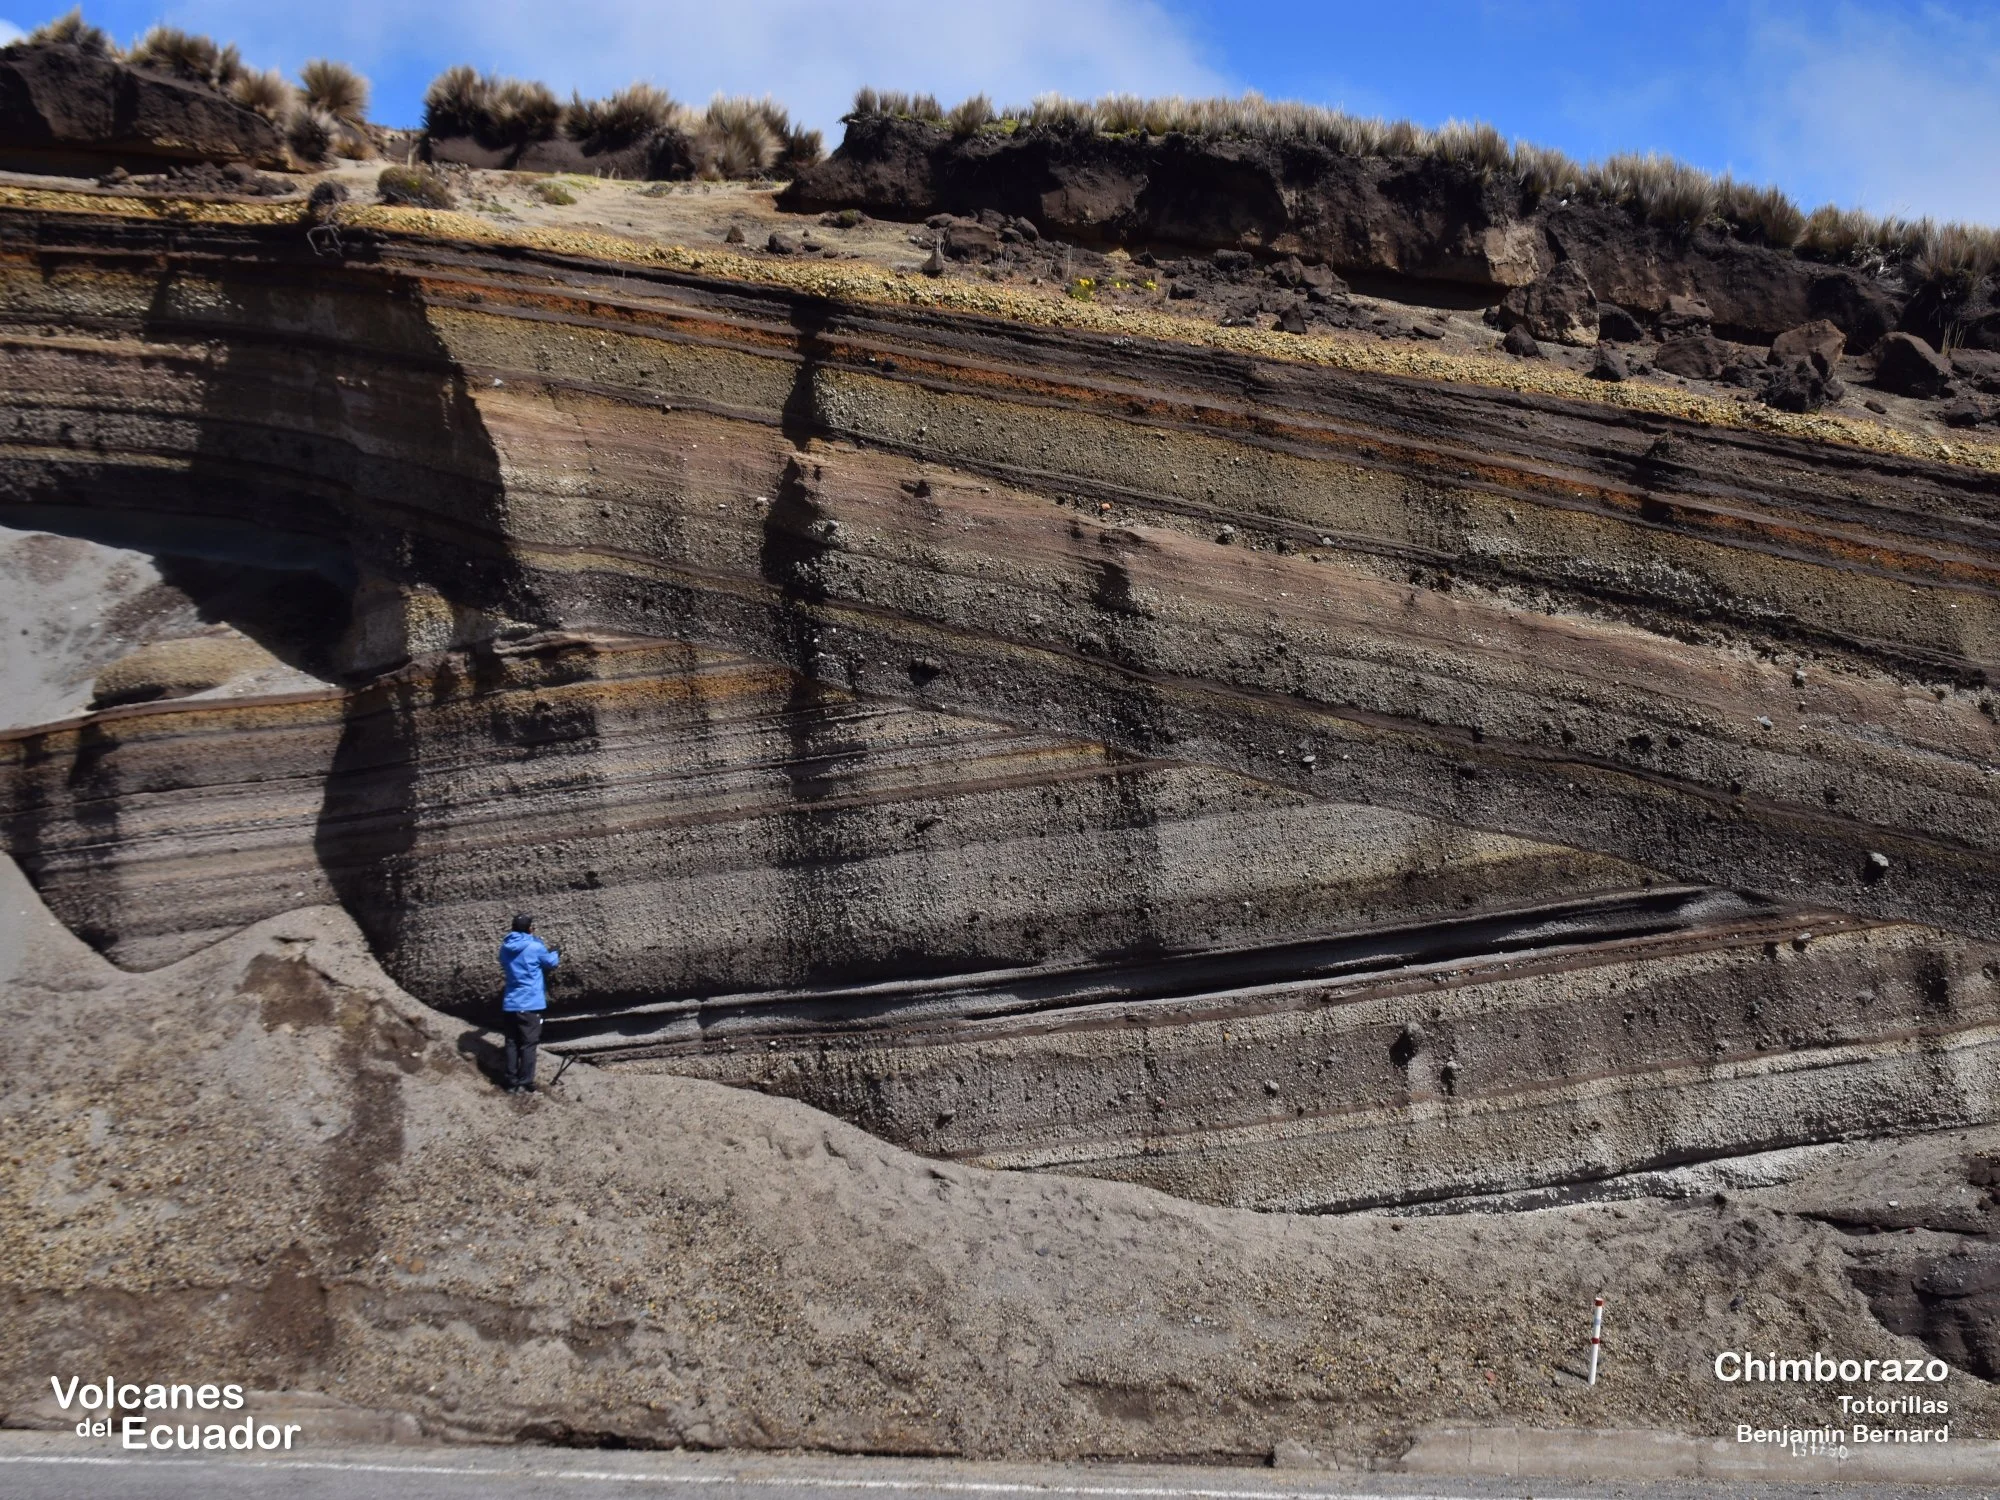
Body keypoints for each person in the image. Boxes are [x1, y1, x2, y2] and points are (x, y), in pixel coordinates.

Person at [498, 913, 560, 1093]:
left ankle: (511, 1082)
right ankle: (525, 1082)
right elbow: (551, 963)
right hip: (530, 1003)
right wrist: (556, 952)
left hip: (511, 1003)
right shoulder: (534, 946)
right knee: (528, 1044)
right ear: (529, 928)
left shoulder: (505, 948)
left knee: (511, 1043)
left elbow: (505, 962)